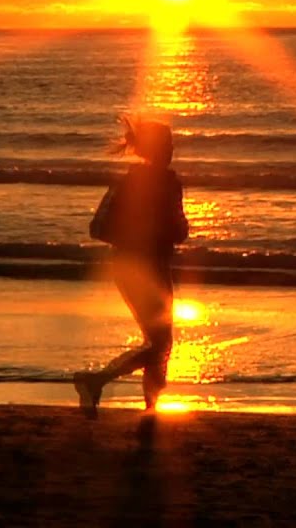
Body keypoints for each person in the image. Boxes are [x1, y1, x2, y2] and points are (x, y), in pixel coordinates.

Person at [74, 117, 189, 419]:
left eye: (172, 145)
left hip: (127, 265)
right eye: (168, 145)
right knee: (160, 342)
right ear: (156, 149)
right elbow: (180, 231)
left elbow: (97, 227)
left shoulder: (125, 181)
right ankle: (95, 381)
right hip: (145, 267)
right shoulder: (168, 184)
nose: (172, 151)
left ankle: (150, 409)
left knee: (159, 341)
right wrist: (147, 237)